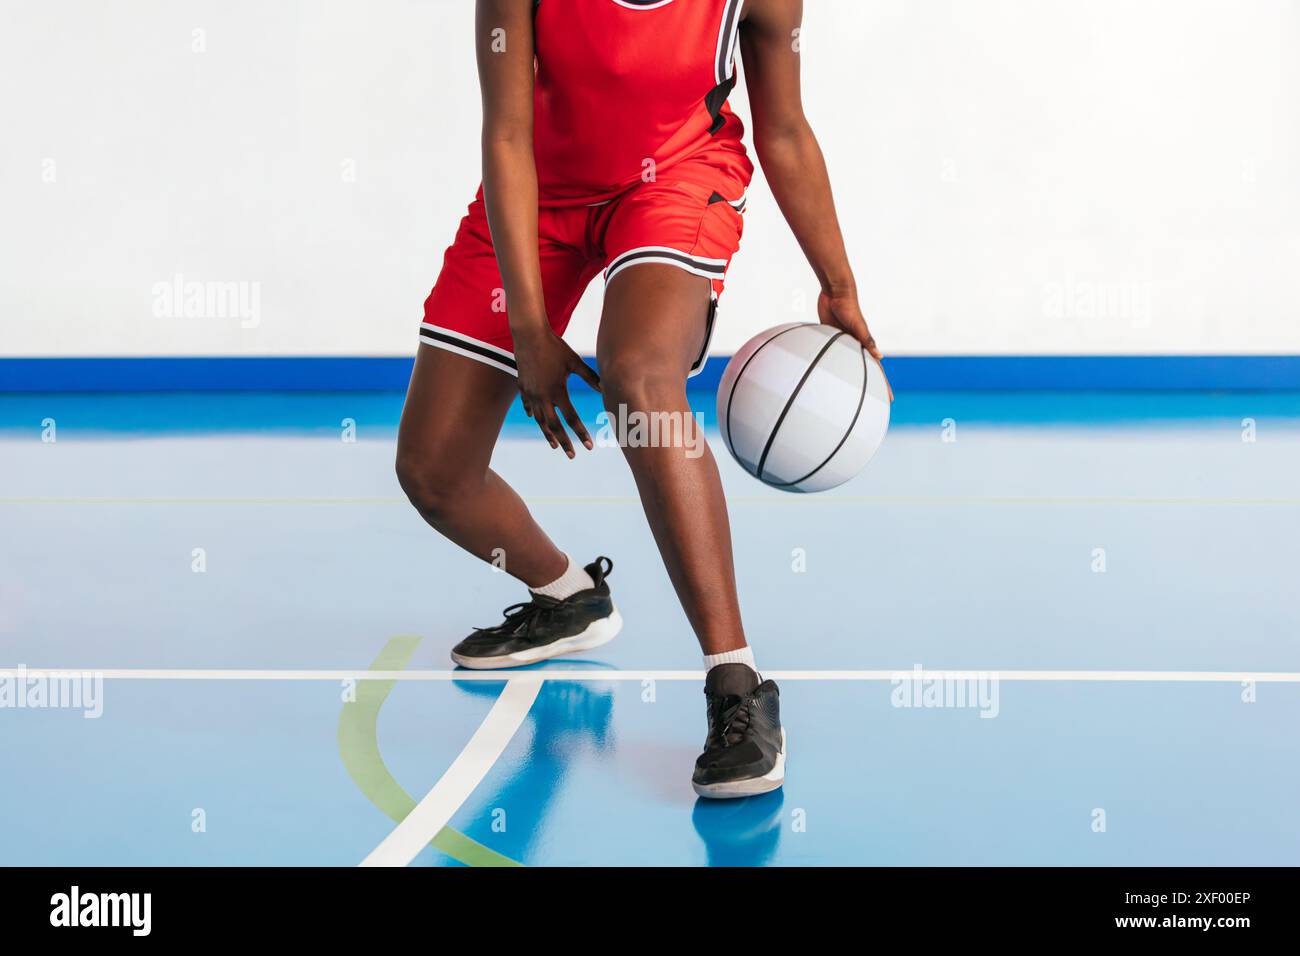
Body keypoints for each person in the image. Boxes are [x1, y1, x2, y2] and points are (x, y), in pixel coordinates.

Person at [396, 0, 883, 798]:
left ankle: (737, 685)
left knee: (638, 378)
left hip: (678, 181)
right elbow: (509, 134)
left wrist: (839, 285)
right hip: (538, 187)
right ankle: (568, 596)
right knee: (433, 472)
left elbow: (783, 129)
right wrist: (528, 324)